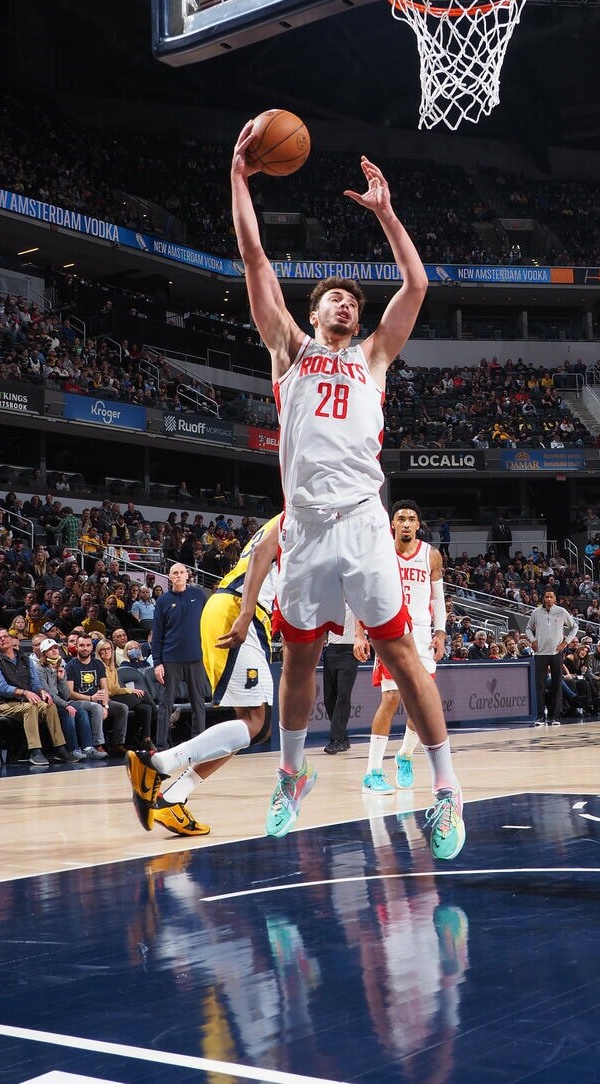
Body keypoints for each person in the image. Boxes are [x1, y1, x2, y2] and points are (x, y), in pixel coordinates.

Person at [231, 128, 464, 860]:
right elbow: (254, 256)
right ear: (313, 311)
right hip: (304, 526)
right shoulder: (288, 351)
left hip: (364, 522)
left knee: (400, 657)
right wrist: (239, 173)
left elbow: (418, 286)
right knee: (299, 661)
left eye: (350, 301)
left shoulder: (373, 357)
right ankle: (292, 776)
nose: (343, 304)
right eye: (332, 296)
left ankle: (447, 791)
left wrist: (386, 215)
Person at [126, 517, 279, 838]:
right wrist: (248, 613)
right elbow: (265, 552)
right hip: (238, 612)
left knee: (250, 730)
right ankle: (156, 764)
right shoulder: (298, 512)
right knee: (258, 724)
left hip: (239, 612)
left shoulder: (301, 517)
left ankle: (172, 798)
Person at [363, 501, 447, 794]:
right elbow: (366, 594)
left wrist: (441, 633)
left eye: (412, 518)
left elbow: (437, 599)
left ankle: (405, 755)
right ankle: (372, 771)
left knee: (420, 702)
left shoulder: (431, 555)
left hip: (423, 634)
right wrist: (360, 634)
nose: (407, 523)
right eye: (402, 519)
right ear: (393, 525)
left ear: (418, 524)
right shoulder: (381, 554)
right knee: (390, 699)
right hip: (391, 631)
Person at [0, 629, 77, 766]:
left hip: (26, 700)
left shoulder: (25, 659)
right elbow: (1, 688)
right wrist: (25, 693)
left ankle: (60, 748)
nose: (3, 639)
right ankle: (35, 751)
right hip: (4, 704)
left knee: (49, 705)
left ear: (11, 640)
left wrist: (41, 691)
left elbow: (34, 682)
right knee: (30, 706)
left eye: (5, 636)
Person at [150, 562, 209, 749]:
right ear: (169, 577)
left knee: (198, 702)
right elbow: (157, 633)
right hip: (170, 659)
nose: (178, 576)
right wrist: (157, 663)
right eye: (174, 573)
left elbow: (209, 624)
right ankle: (161, 745)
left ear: (187, 575)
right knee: (165, 703)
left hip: (196, 657)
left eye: (181, 572)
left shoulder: (199, 595)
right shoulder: (163, 601)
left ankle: (198, 742)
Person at [65, 633, 129, 756]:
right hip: (79, 701)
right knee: (96, 707)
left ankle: (117, 744)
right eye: (82, 645)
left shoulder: (98, 664)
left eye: (88, 645)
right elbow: (70, 693)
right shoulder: (71, 666)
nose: (85, 648)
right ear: (76, 647)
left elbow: (104, 688)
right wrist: (91, 698)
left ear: (92, 648)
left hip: (98, 700)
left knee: (122, 708)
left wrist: (105, 706)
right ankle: (97, 745)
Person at [525, 588, 579, 726]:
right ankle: (540, 716)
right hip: (540, 653)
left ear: (555, 599)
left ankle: (556, 716)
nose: (548, 599)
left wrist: (566, 642)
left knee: (557, 685)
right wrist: (532, 640)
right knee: (540, 686)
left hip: (556, 653)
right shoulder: (536, 612)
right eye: (546, 597)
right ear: (543, 598)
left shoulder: (561, 611)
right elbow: (528, 628)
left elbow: (574, 627)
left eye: (551, 597)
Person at [322, 603, 368, 756]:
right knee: (329, 698)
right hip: (331, 649)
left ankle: (335, 740)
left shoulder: (357, 602)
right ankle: (344, 738)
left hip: (350, 651)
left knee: (343, 695)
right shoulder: (332, 602)